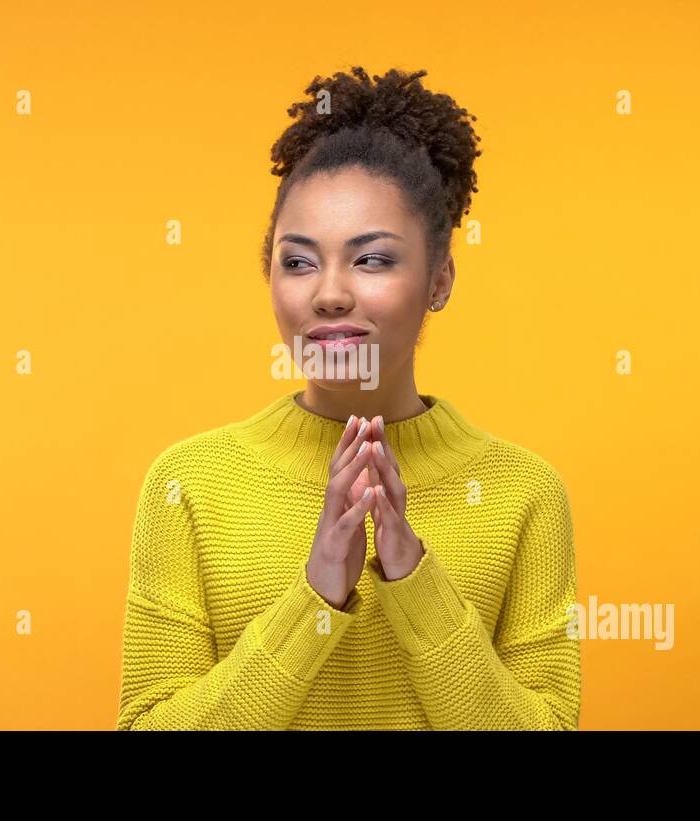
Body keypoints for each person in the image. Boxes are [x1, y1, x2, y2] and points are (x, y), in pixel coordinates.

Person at [116, 66, 580, 730]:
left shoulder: (523, 492)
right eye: (299, 261)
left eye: (372, 260)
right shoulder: (187, 483)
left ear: (439, 279)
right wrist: (317, 594)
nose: (329, 292)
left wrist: (413, 580)